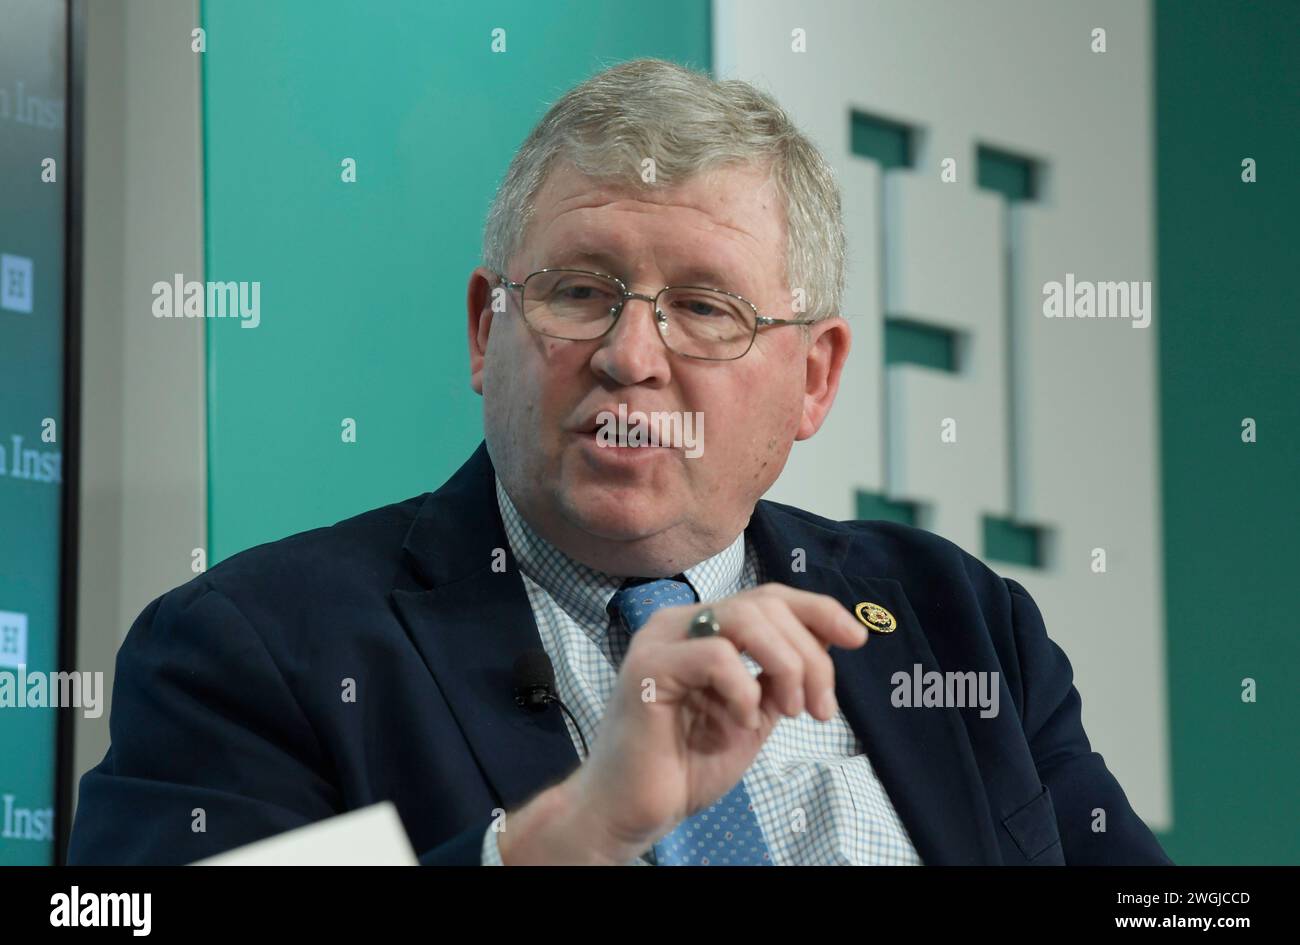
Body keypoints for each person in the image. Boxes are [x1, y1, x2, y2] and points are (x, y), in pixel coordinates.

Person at [68, 58, 1170, 866]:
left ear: (815, 378)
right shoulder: (257, 647)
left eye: (703, 306)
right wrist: (561, 840)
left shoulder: (957, 619)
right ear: (481, 330)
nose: (628, 356)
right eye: (579, 291)